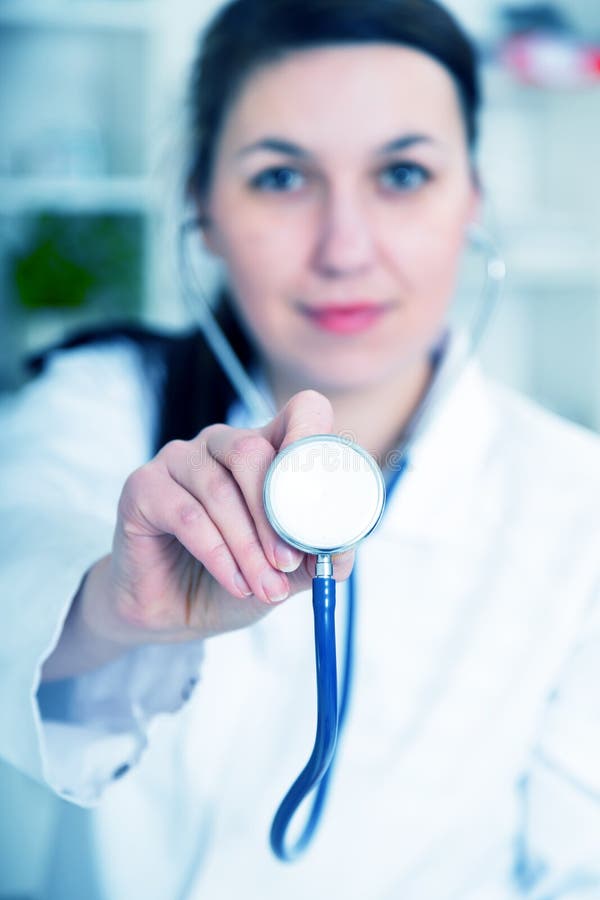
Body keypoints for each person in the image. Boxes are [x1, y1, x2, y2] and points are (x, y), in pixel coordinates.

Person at [1, 0, 599, 896]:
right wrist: (110, 612)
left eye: (402, 174)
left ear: (471, 197)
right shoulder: (99, 401)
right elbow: (18, 554)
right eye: (282, 179)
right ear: (200, 205)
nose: (345, 249)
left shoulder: (575, 500)